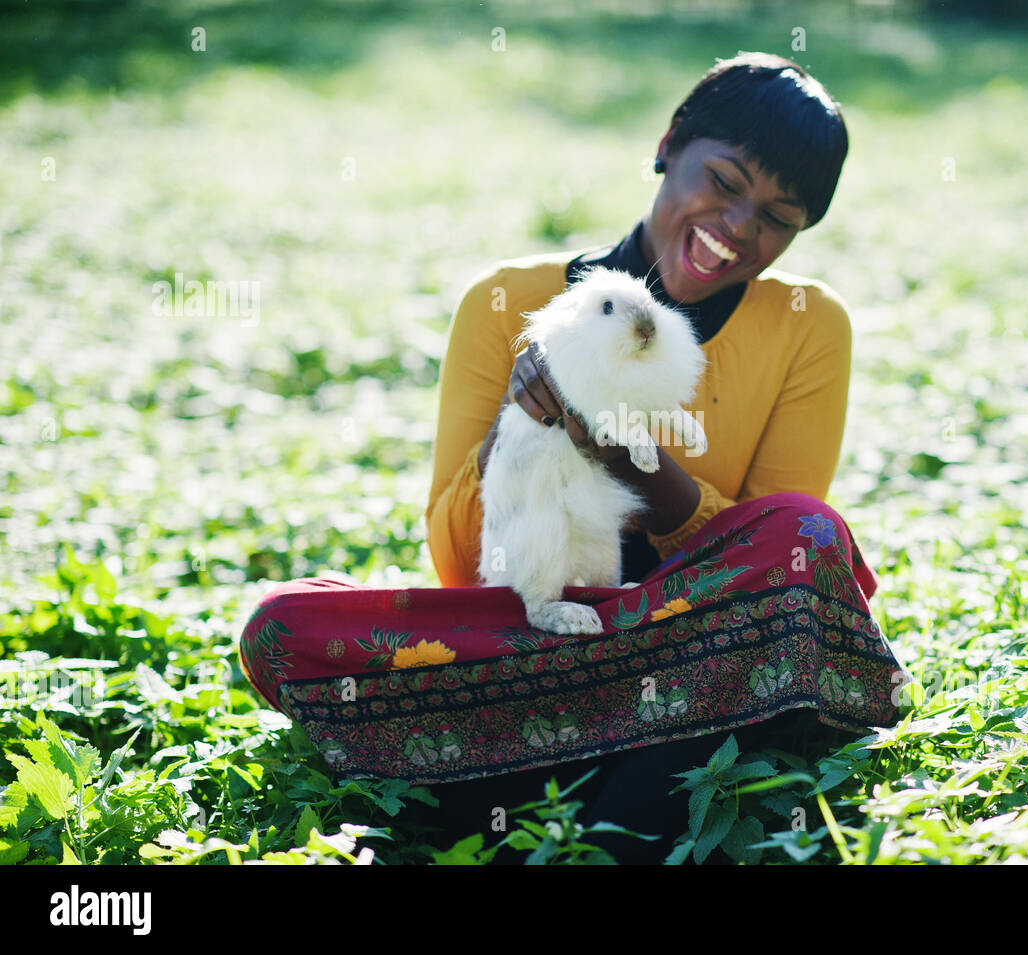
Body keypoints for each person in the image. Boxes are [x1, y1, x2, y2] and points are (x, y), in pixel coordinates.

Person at [240, 51, 911, 864]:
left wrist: (626, 455)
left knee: (808, 533)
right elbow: (459, 560)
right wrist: (516, 432)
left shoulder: (809, 323)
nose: (739, 227)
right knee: (284, 627)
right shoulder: (507, 302)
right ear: (669, 144)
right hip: (532, 642)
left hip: (694, 636)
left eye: (778, 215)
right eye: (726, 183)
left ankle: (521, 787)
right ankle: (646, 764)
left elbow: (770, 562)